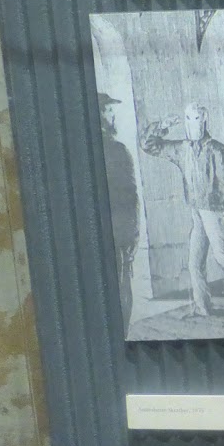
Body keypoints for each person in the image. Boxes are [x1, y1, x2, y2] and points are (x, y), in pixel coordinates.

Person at [141, 102, 224, 325]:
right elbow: (148, 145)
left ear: (205, 120)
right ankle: (202, 308)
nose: (192, 124)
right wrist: (161, 126)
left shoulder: (217, 149)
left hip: (214, 212)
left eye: (197, 118)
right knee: (195, 263)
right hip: (196, 213)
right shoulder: (181, 149)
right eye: (188, 119)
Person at [99, 92, 139, 330]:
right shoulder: (116, 150)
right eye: (108, 110)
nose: (113, 115)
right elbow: (129, 196)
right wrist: (133, 236)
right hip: (117, 236)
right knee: (122, 293)